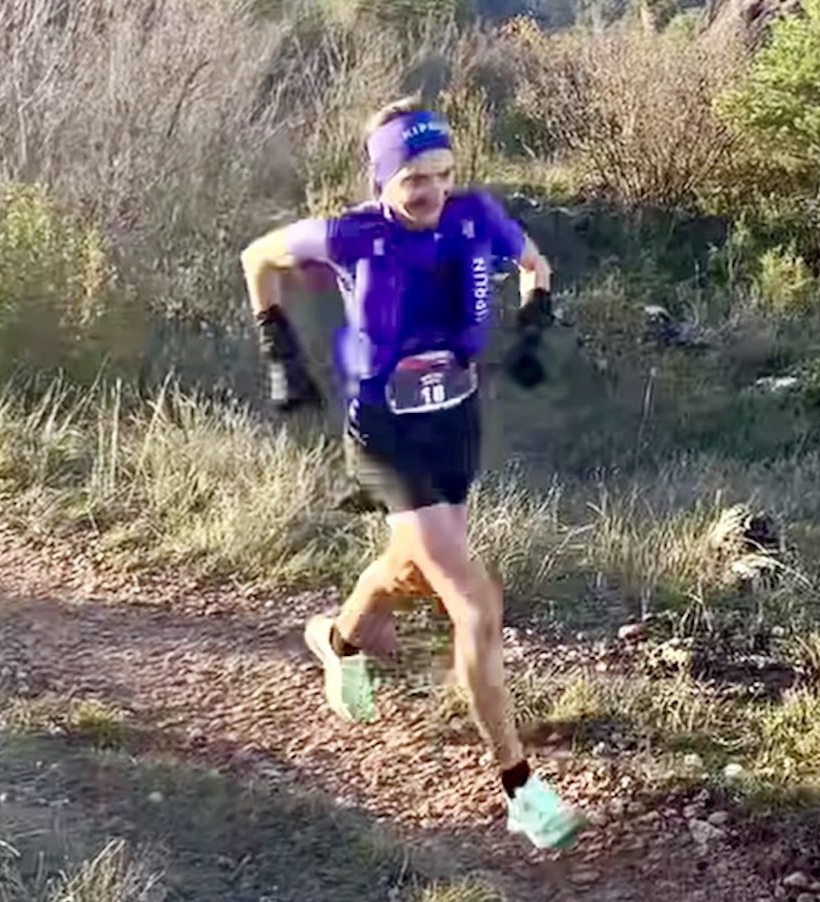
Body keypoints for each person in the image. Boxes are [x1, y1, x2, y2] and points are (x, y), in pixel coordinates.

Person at [238, 98, 587, 851]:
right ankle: (520, 788)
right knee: (475, 603)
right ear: (384, 175)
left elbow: (535, 264)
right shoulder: (349, 234)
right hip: (386, 434)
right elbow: (256, 258)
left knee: (413, 568)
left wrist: (536, 319)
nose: (433, 189)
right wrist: (280, 351)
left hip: (454, 423)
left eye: (444, 172)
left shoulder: (476, 217)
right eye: (415, 177)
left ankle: (338, 639)